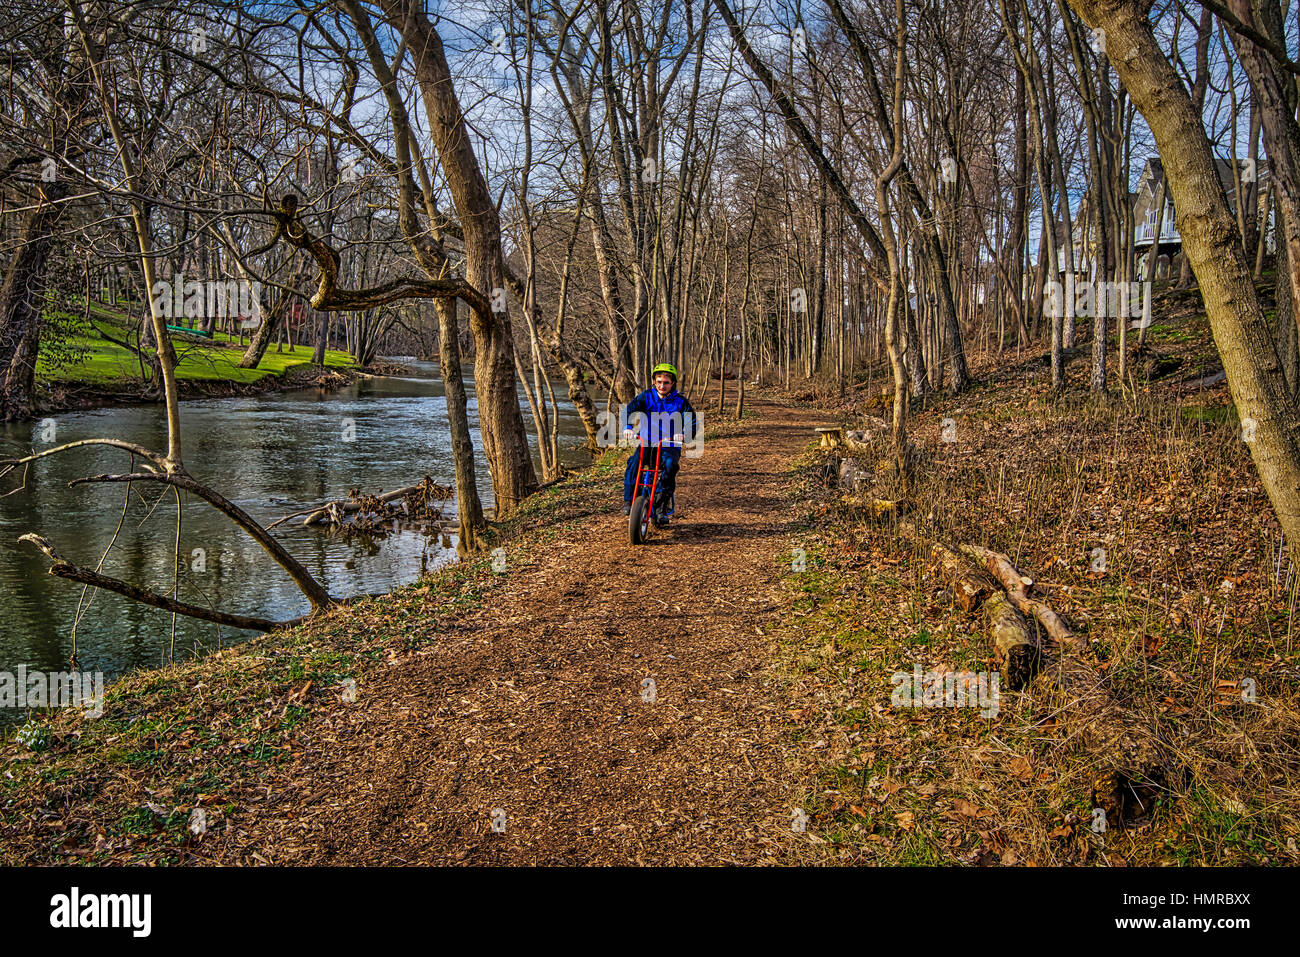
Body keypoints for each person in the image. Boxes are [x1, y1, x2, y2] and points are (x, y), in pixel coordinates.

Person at [621, 362, 696, 526]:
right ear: (654, 381)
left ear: (673, 383)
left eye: (666, 382)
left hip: (669, 445)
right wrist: (628, 427)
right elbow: (630, 410)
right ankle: (629, 501)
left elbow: (692, 422)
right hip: (648, 442)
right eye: (659, 382)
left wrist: (685, 435)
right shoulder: (646, 396)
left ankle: (661, 508)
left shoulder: (681, 402)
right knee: (634, 462)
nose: (663, 385)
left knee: (670, 466)